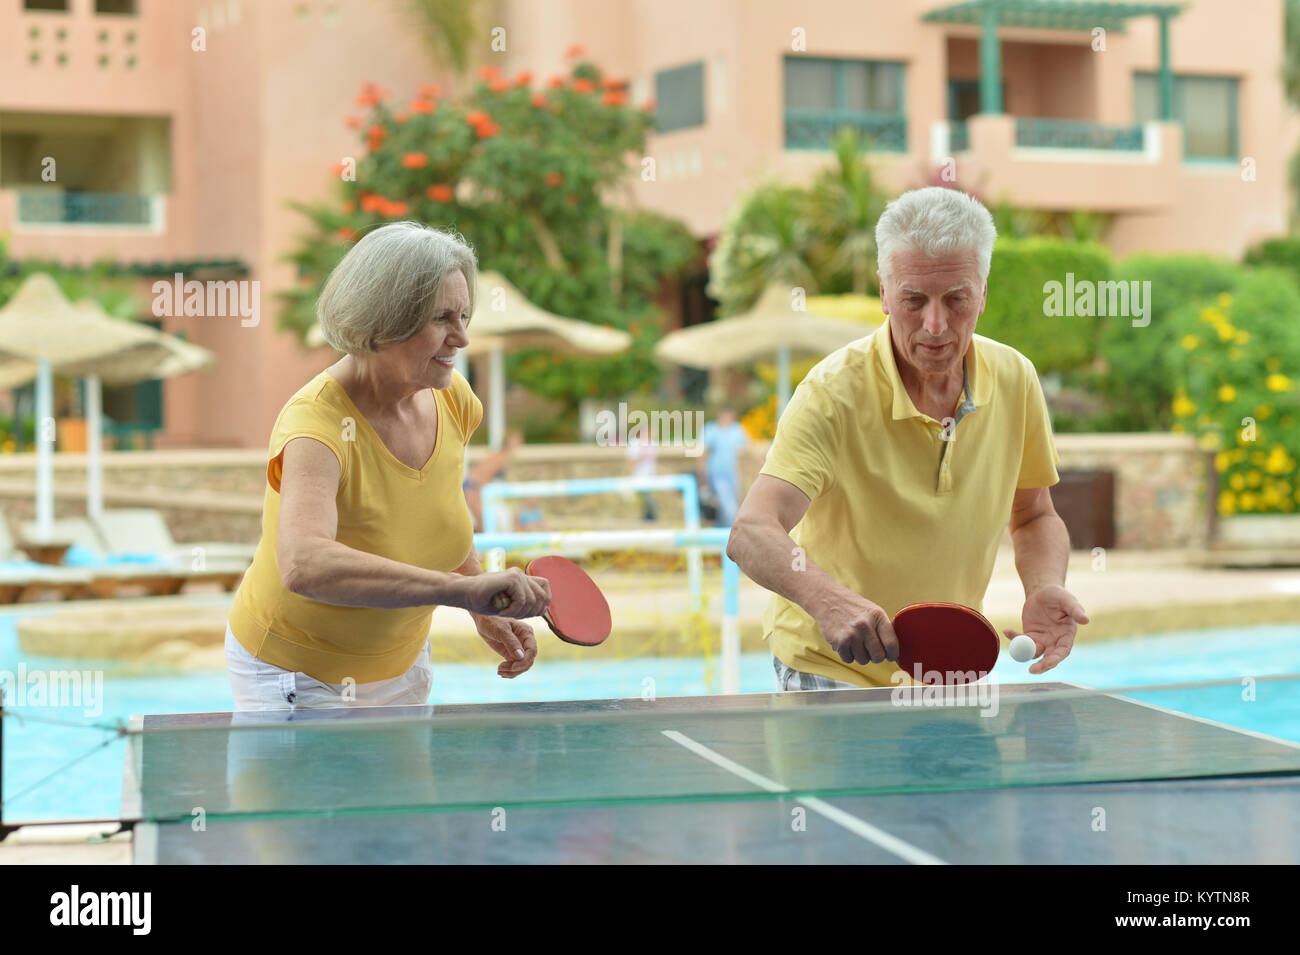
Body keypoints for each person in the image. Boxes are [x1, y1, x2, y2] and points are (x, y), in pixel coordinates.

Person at [727, 187, 1089, 691]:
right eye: (913, 300)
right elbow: (752, 531)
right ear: (883, 292)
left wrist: (1045, 584)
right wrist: (826, 599)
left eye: (956, 299)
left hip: (946, 674)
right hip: (832, 670)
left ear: (983, 293)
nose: (935, 325)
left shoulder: (1015, 378)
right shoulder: (831, 393)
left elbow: (1033, 515)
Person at [225, 222, 550, 710]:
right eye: (441, 318)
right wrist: (464, 591)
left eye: (463, 315)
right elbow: (304, 563)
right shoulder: (316, 426)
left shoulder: (452, 399)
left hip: (403, 662)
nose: (461, 337)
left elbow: (436, 513)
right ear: (379, 324)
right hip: (299, 675)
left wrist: (482, 608)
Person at [697, 406, 749, 527]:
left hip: (732, 475)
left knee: (727, 508)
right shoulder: (711, 430)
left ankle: (723, 540)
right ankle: (727, 538)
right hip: (715, 475)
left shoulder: (737, 430)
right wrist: (702, 478)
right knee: (728, 510)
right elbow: (703, 454)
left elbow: (749, 449)